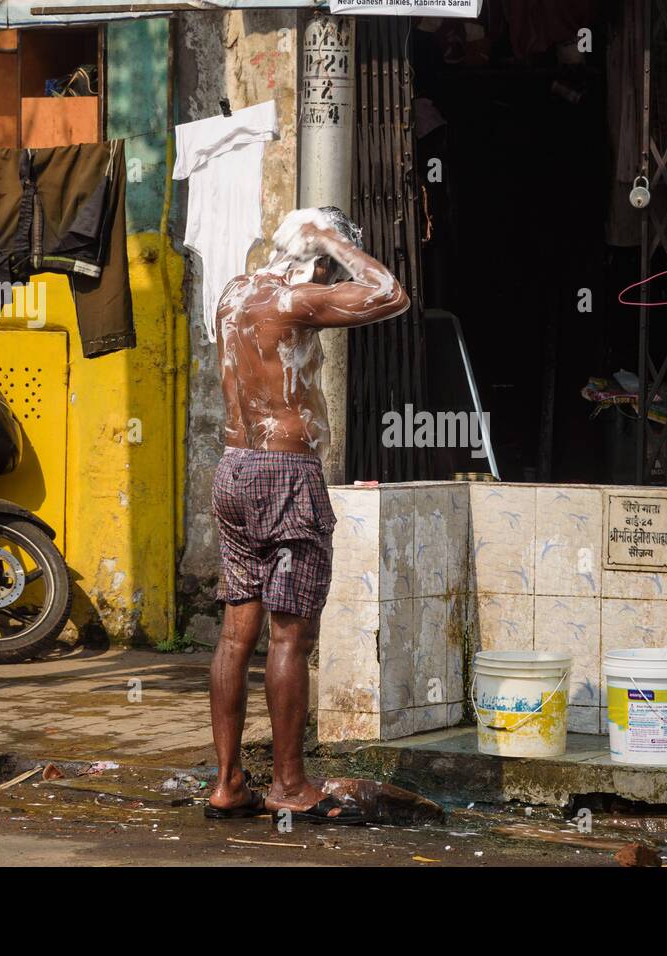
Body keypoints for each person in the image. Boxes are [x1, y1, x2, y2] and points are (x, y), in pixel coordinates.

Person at [204, 207, 409, 823]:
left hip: (233, 470)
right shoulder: (293, 301)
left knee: (237, 634)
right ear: (317, 259)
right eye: (327, 263)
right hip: (283, 475)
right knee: (291, 635)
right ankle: (288, 785)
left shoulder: (236, 292)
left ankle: (227, 782)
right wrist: (334, 245)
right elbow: (391, 295)